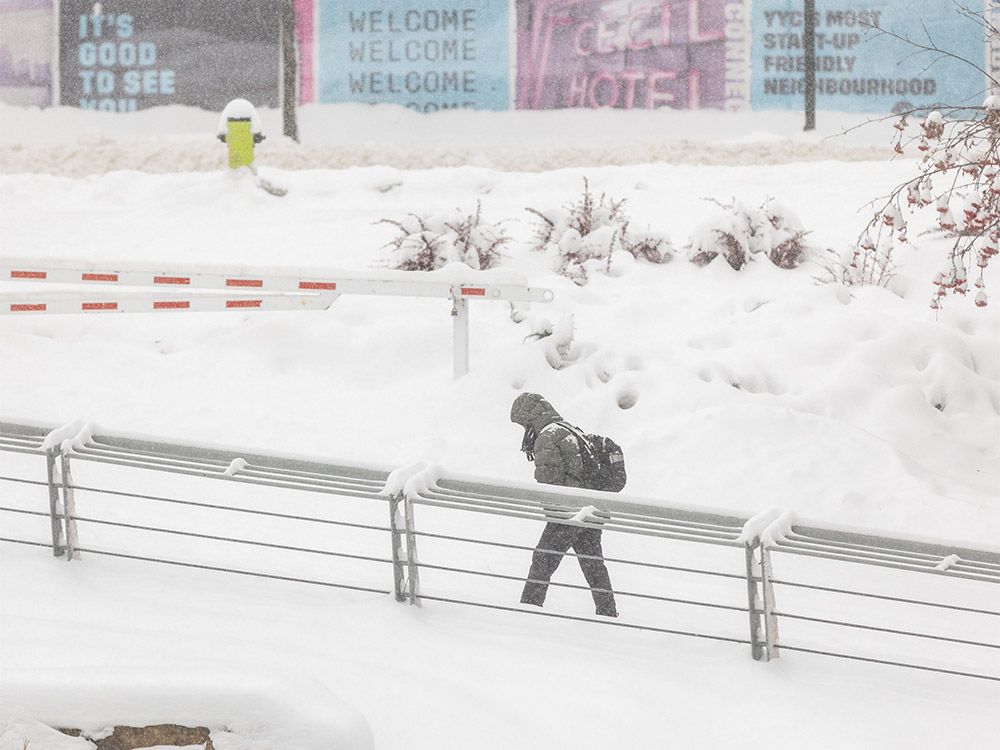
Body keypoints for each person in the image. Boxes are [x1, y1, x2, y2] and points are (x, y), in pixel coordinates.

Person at [510, 392, 618, 618]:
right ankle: (608, 614)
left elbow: (550, 484)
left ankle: (527, 612)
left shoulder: (547, 436)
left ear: (529, 418)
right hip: (589, 511)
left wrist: (557, 516)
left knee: (542, 561)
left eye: (522, 425)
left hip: (568, 513)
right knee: (593, 566)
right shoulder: (569, 429)